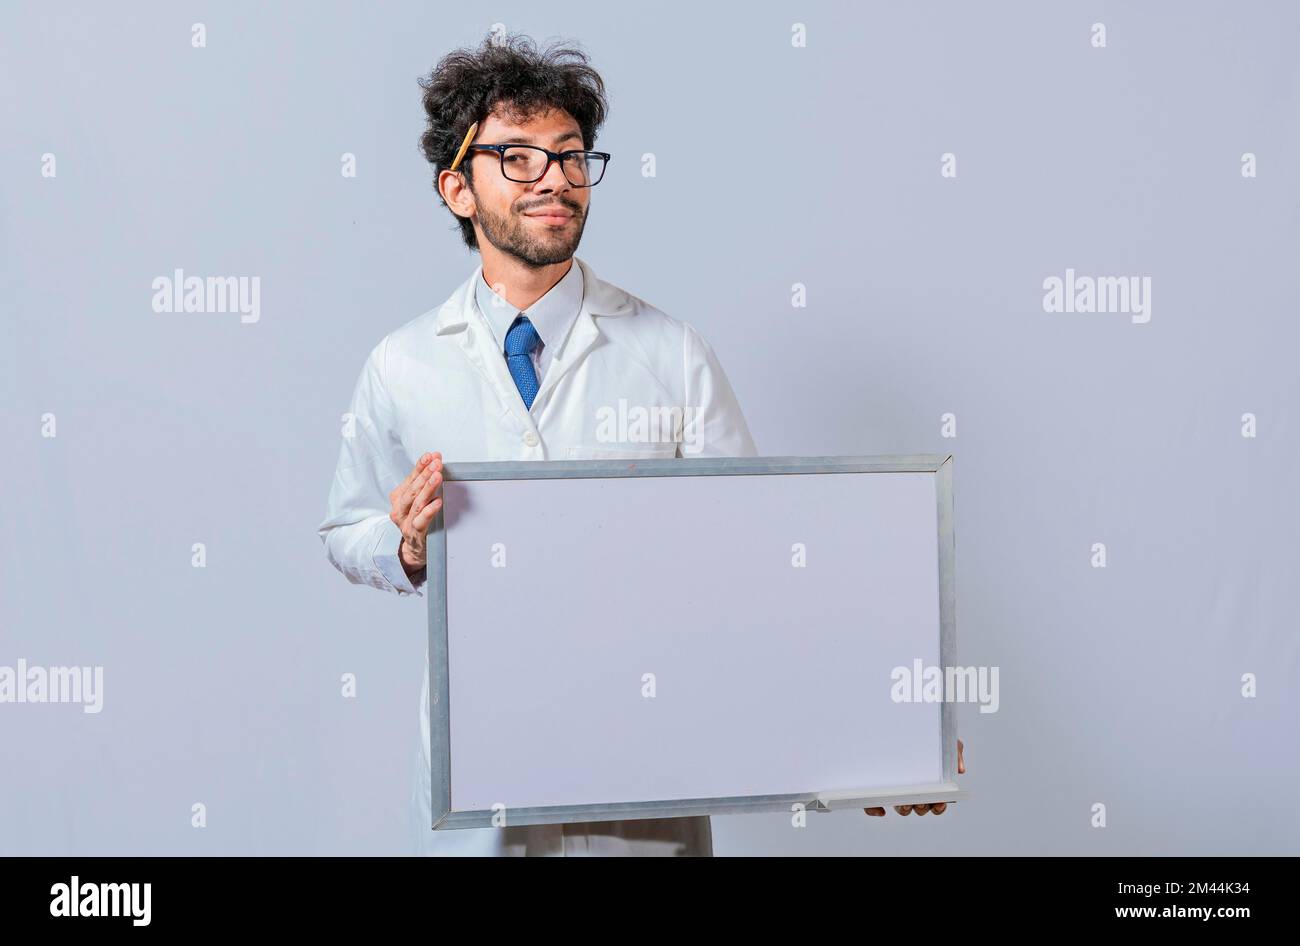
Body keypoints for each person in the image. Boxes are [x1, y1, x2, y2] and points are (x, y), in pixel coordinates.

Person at [316, 33, 756, 855]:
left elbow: (756, 555)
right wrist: (405, 546)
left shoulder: (672, 353)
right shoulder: (403, 361)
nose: (555, 178)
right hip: (477, 772)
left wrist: (876, 735)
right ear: (457, 188)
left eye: (571, 155)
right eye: (517, 158)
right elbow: (346, 528)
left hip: (639, 766)